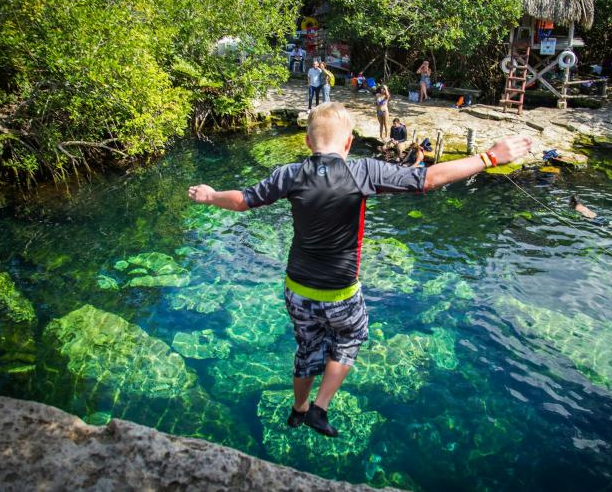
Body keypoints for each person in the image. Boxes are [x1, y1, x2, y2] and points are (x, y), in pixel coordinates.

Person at [187, 103, 532, 437]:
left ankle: (299, 408)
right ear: (349, 142)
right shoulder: (362, 170)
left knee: (308, 349)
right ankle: (320, 408)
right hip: (341, 294)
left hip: (298, 290)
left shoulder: (289, 174)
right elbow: (428, 179)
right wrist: (488, 158)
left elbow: (242, 201)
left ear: (308, 141)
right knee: (350, 337)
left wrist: (210, 194)